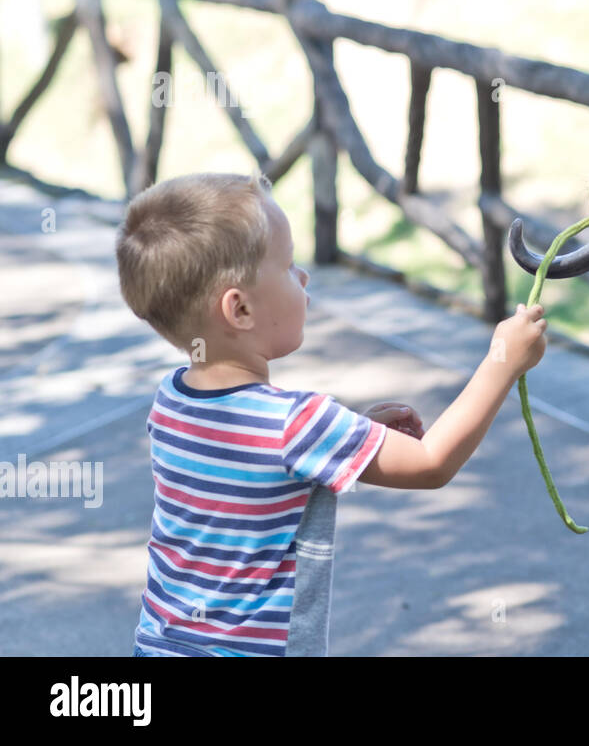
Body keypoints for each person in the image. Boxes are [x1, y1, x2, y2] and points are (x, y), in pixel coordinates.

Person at [114, 170, 546, 655]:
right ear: (239, 311)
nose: (303, 277)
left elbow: (252, 481)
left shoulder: (171, 400)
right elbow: (431, 463)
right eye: (289, 266)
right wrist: (503, 361)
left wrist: (357, 438)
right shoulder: (297, 424)